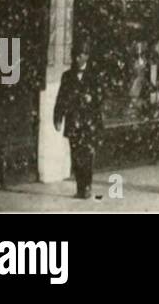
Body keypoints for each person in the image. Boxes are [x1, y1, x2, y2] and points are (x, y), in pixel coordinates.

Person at [54, 43, 103, 201]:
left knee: (87, 154)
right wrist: (58, 117)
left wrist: (93, 99)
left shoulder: (95, 75)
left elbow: (102, 96)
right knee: (75, 154)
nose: (77, 59)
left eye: (80, 55)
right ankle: (80, 187)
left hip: (89, 121)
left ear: (86, 56)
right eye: (75, 55)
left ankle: (87, 185)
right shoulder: (67, 76)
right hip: (73, 120)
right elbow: (61, 98)